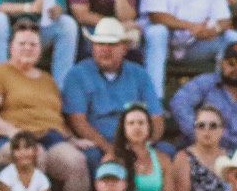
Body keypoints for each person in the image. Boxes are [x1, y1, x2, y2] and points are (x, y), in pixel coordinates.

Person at [0, 21, 91, 191]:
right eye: (22, 43)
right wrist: (13, 132)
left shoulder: (48, 80)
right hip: (6, 141)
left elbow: (54, 117)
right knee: (34, 153)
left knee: (76, 162)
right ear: (11, 47)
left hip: (49, 138)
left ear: (40, 49)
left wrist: (71, 139)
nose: (28, 48)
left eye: (33, 44)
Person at [61, 17, 162, 172]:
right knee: (92, 156)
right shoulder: (77, 75)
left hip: (137, 139)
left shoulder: (139, 74)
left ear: (124, 48)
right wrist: (111, 150)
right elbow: (77, 121)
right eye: (100, 44)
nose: (105, 49)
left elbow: (156, 118)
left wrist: (143, 147)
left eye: (112, 44)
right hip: (98, 142)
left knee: (166, 151)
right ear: (92, 47)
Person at [169, 40, 237, 153]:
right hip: (203, 152)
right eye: (231, 63)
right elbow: (179, 103)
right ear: (222, 64)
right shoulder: (206, 83)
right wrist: (200, 134)